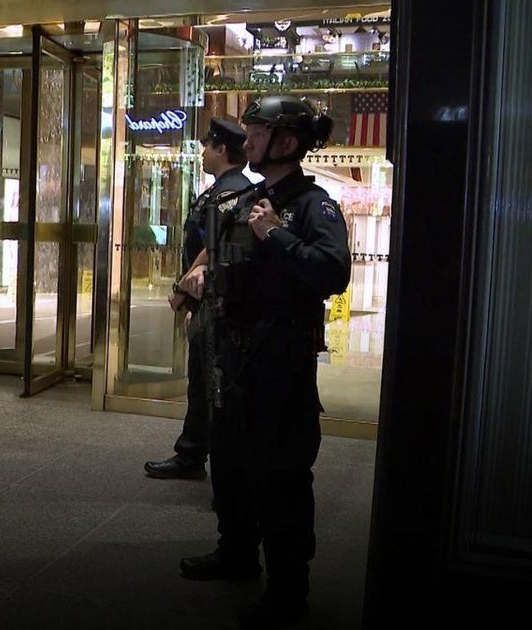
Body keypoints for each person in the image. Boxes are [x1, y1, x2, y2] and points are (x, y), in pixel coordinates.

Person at [177, 95, 349, 630]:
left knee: (281, 476)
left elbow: (332, 272)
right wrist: (195, 282)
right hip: (233, 355)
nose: (246, 143)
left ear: (287, 143)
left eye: (256, 133)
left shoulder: (313, 204)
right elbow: (217, 253)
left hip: (281, 360)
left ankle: (288, 589)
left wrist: (275, 233)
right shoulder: (245, 197)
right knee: (229, 460)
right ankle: (235, 553)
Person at [145, 118, 252, 480]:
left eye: (207, 146)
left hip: (217, 302)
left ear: (222, 149)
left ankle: (215, 467)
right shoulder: (223, 190)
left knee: (212, 385)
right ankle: (192, 454)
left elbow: (213, 246)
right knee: (202, 381)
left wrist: (179, 290)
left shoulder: (230, 194)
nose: (203, 153)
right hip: (207, 300)